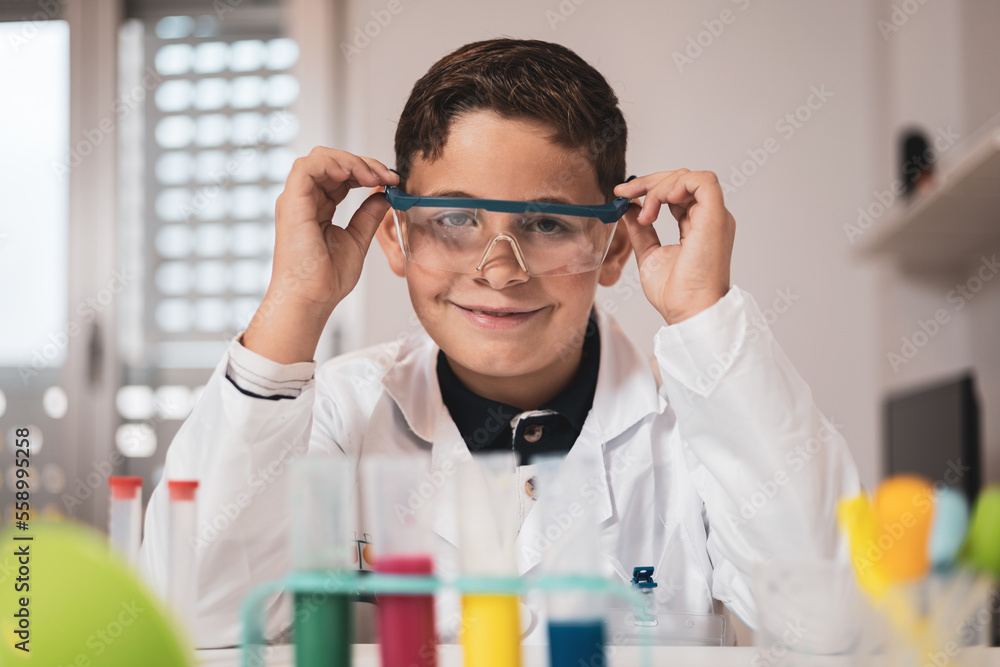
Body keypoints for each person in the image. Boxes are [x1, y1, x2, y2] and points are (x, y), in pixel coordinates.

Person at [138, 38, 860, 648]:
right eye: (454, 219)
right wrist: (294, 304)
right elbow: (192, 619)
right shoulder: (339, 413)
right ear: (395, 233)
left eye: (547, 224)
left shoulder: (694, 426)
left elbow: (837, 624)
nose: (499, 270)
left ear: (612, 250)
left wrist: (707, 317)